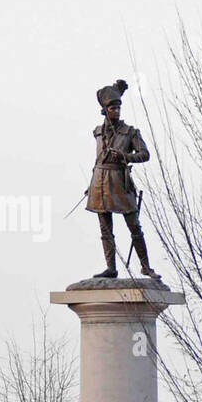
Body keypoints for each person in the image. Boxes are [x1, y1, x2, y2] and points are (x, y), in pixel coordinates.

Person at [87, 78, 159, 279]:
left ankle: (145, 266)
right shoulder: (98, 132)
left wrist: (126, 157)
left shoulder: (130, 132)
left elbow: (145, 154)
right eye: (112, 108)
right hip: (99, 183)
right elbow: (96, 159)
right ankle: (111, 267)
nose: (116, 111)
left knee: (134, 225)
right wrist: (90, 185)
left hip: (120, 183)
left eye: (118, 107)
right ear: (105, 110)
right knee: (105, 230)